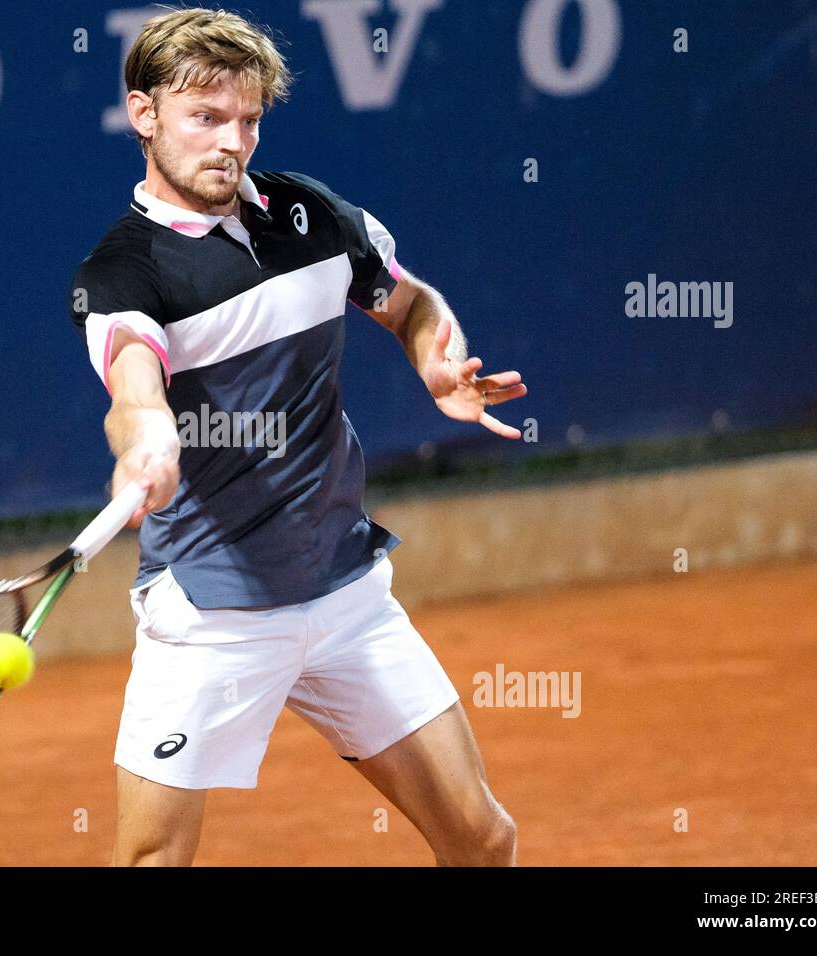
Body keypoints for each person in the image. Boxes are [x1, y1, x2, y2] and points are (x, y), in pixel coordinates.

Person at [68, 6, 525, 866]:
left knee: (482, 836)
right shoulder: (122, 270)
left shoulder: (308, 211)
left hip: (344, 591)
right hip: (211, 610)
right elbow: (133, 387)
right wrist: (147, 441)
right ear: (144, 114)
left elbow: (409, 300)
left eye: (247, 120)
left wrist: (437, 363)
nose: (229, 142)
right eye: (204, 117)